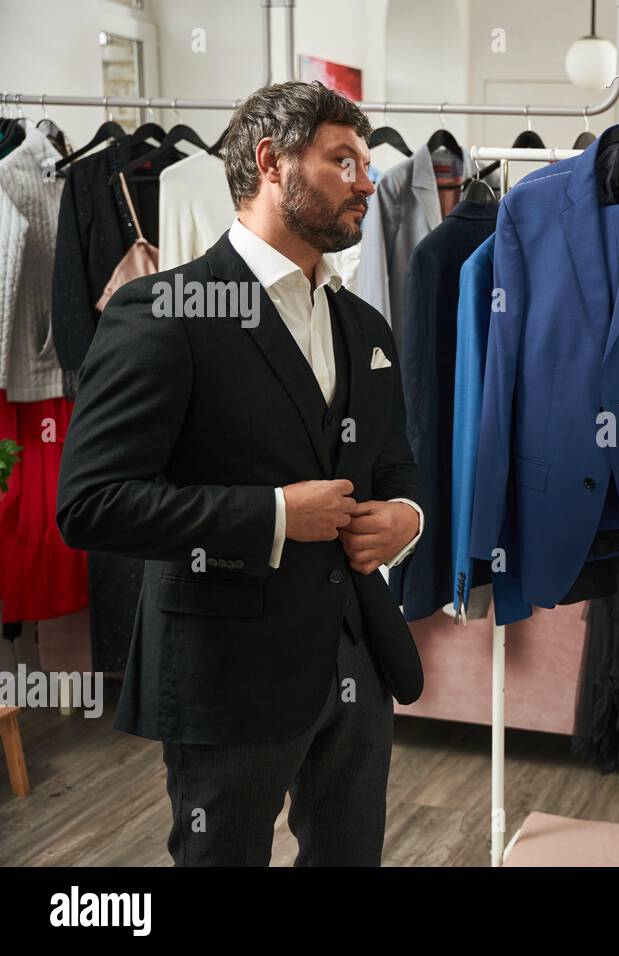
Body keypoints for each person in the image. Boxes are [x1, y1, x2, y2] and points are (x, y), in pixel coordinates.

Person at [56, 81, 425, 866]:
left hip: (357, 661)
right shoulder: (164, 312)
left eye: (364, 162)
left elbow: (395, 465)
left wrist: (407, 518)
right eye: (343, 161)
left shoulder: (365, 324)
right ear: (271, 163)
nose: (366, 180)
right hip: (226, 675)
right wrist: (276, 516)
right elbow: (91, 504)